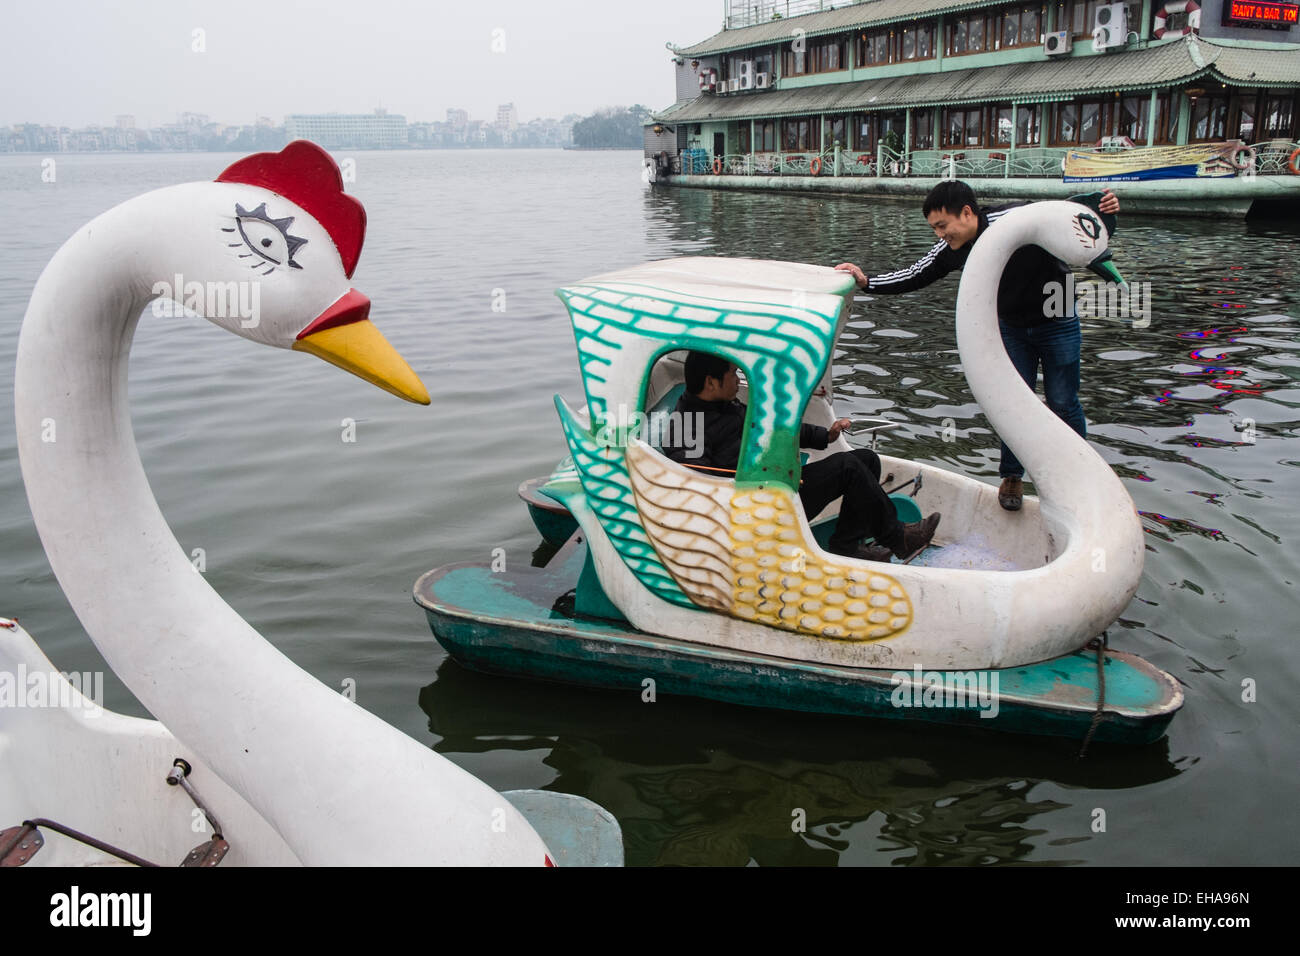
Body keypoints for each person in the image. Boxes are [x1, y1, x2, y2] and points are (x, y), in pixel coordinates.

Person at [834, 180, 1119, 512]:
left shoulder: (1016, 218)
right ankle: (1012, 475)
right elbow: (916, 273)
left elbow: (1067, 219)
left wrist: (1099, 207)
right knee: (1012, 404)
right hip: (1011, 328)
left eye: (942, 225)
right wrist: (868, 283)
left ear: (966, 213)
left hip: (1057, 321)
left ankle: (1080, 477)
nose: (940, 234)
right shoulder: (953, 249)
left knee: (1063, 401)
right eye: (934, 228)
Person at [660, 350, 940, 562]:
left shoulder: (724, 405)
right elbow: (700, 487)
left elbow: (771, 428)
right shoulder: (687, 427)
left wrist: (824, 436)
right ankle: (898, 537)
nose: (737, 379)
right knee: (849, 467)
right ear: (711, 382)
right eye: (733, 373)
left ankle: (847, 545)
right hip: (755, 510)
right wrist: (768, 476)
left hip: (773, 485)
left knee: (866, 459)